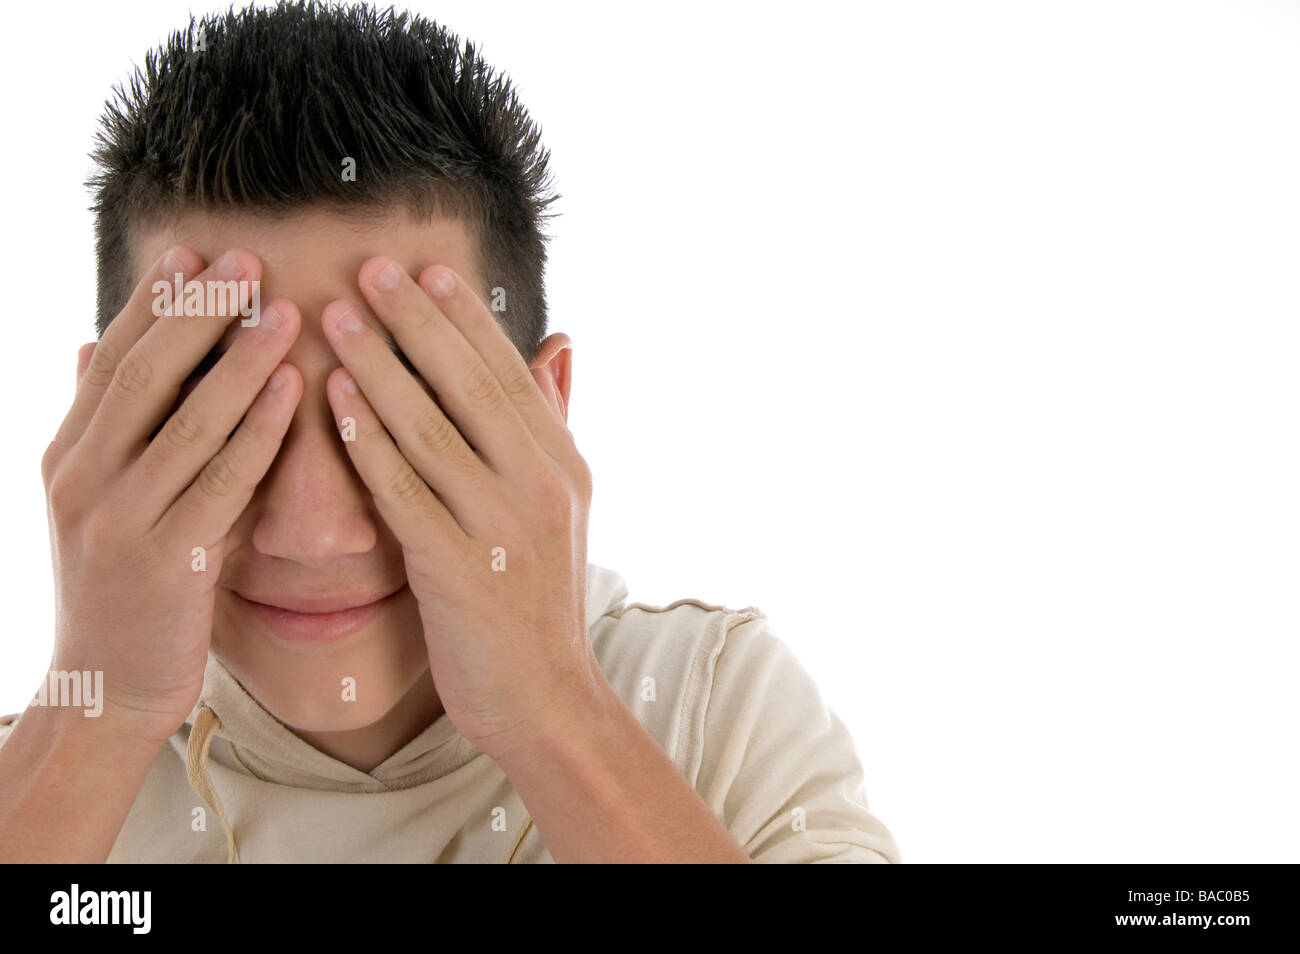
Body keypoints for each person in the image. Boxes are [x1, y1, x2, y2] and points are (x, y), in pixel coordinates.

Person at [0, 0, 899, 863]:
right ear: (103, 426)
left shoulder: (715, 714)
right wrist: (99, 720)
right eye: (226, 420)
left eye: (406, 409)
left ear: (546, 410)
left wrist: (552, 711)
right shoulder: (31, 777)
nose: (311, 535)